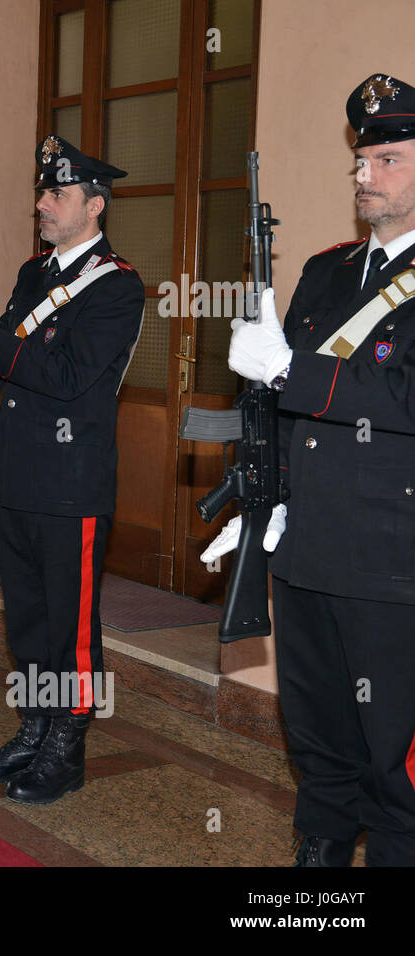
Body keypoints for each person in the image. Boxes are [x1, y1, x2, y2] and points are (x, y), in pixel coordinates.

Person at [208, 73, 415, 867]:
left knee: (393, 749)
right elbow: (272, 399)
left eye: (389, 159)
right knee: (317, 728)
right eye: (361, 161)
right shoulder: (328, 271)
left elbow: (402, 395)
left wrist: (289, 371)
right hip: (304, 540)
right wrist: (261, 492)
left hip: (390, 552)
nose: (366, 176)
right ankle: (320, 858)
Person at [0, 135, 143, 805]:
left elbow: (68, 376)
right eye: (41, 192)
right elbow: (1, 370)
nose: (41, 204)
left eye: (56, 194)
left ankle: (67, 745)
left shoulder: (118, 286)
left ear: (94, 205)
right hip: (18, 474)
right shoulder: (34, 274)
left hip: (72, 484)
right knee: (26, 618)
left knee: (70, 626)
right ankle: (33, 727)